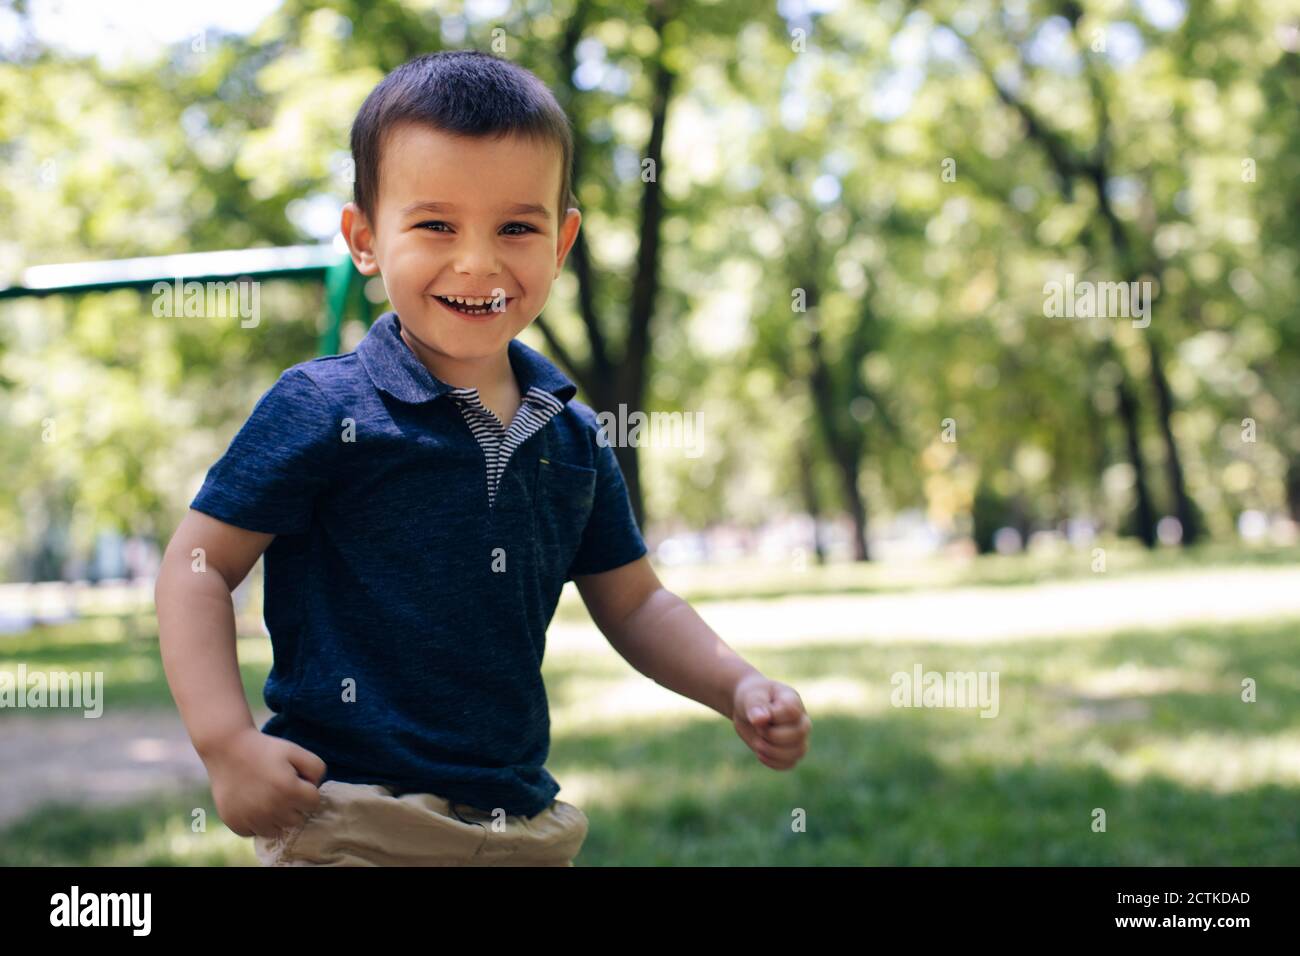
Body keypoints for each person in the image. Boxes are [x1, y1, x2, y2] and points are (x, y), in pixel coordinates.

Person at [154, 49, 811, 867]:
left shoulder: (568, 434)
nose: (477, 262)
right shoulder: (323, 407)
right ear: (364, 238)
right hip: (351, 815)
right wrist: (225, 743)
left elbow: (638, 605)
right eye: (435, 225)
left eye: (516, 227)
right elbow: (197, 565)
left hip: (517, 824)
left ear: (562, 240)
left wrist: (737, 685)